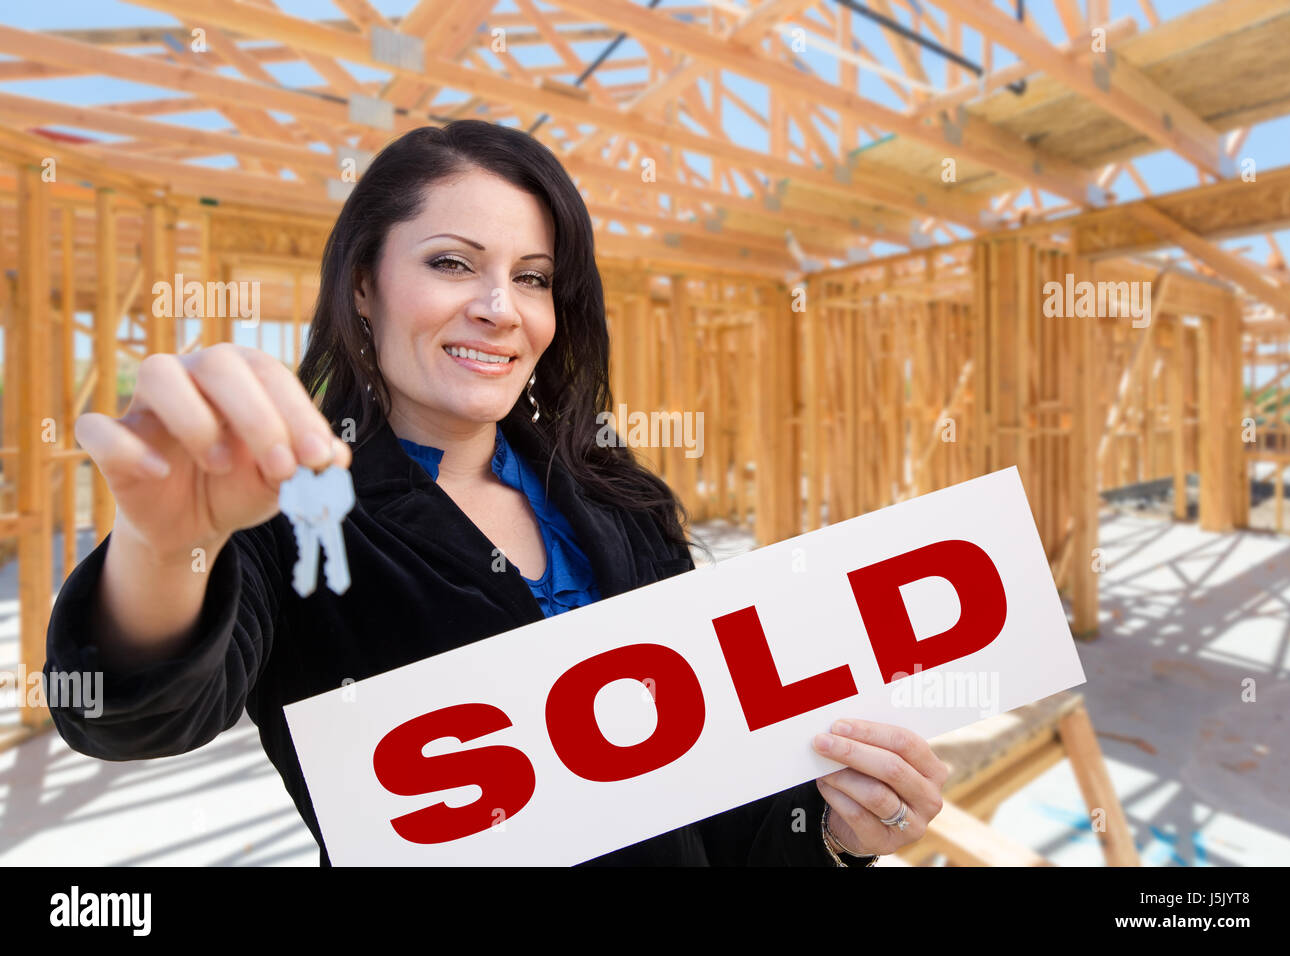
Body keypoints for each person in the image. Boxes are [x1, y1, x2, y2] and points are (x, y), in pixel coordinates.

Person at [45, 121, 947, 866]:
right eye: (450, 263)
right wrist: (167, 546)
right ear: (364, 285)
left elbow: (715, 797)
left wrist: (831, 835)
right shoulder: (288, 517)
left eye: (532, 277)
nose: (499, 308)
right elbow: (127, 719)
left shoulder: (617, 497)